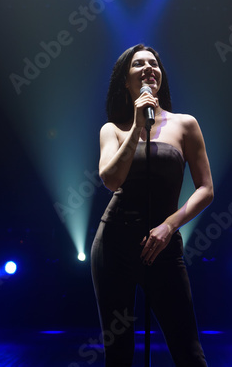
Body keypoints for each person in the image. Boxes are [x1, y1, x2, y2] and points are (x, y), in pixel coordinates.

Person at [91, 44, 214, 366]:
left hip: (162, 242)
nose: (148, 68)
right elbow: (110, 179)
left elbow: (206, 189)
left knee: (189, 351)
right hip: (114, 242)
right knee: (118, 352)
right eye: (138, 64)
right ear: (125, 81)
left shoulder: (185, 124)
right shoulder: (113, 130)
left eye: (153, 64)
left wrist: (168, 226)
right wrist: (136, 126)